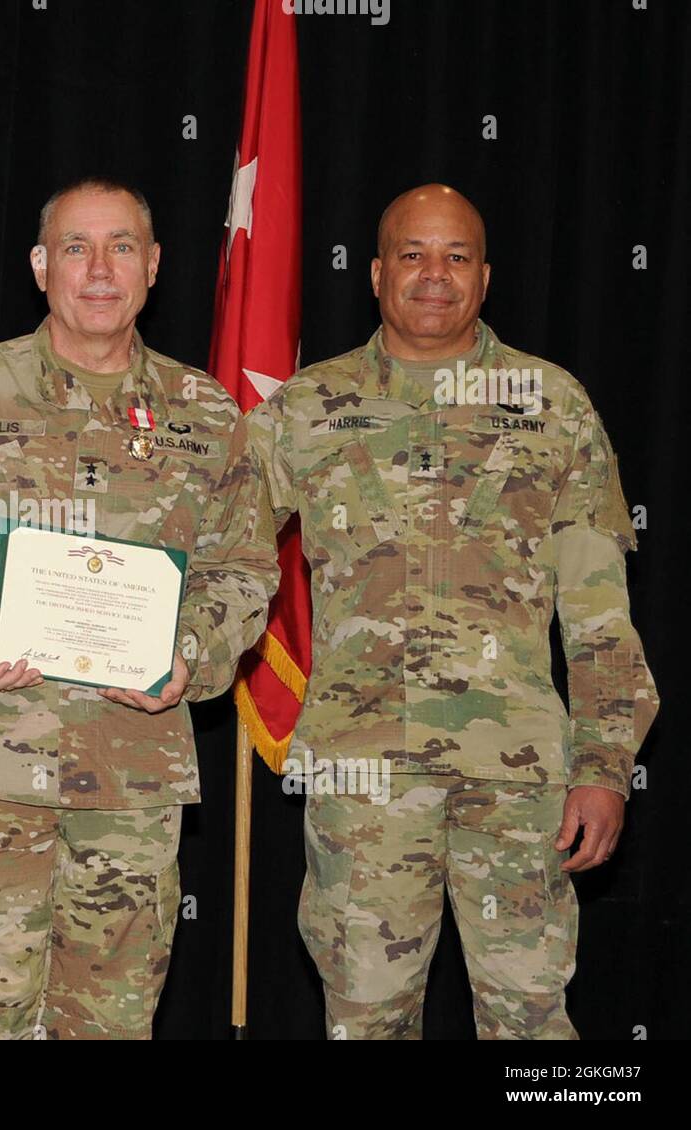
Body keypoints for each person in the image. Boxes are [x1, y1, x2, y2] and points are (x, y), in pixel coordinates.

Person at [0, 178, 279, 1039]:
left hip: (130, 785)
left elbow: (246, 567)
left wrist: (189, 651)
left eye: (122, 246)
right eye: (76, 248)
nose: (100, 269)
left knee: (109, 1026)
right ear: (42, 266)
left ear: (153, 267)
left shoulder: (208, 416)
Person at [248, 184, 659, 1039]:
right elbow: (213, 552)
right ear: (374, 274)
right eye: (412, 254)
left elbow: (598, 613)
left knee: (532, 1021)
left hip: (518, 777)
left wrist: (605, 763)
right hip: (362, 780)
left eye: (455, 257)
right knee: (364, 1017)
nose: (433, 276)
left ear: (484, 277)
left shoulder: (554, 407)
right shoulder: (305, 410)